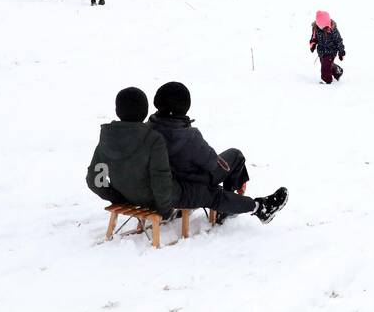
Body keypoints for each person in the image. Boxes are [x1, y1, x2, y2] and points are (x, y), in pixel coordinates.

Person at [147, 82, 288, 224]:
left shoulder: (148, 128)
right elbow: (211, 163)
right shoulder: (189, 136)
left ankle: (234, 202)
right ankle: (236, 207)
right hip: (192, 182)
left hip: (168, 184)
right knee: (235, 155)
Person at [85, 87, 180, 217]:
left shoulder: (108, 137)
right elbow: (160, 179)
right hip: (152, 201)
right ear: (145, 111)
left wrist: (117, 197)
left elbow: (95, 179)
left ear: (117, 111)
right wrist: (165, 211)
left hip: (124, 195)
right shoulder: (153, 139)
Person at [309, 10, 346, 84]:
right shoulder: (316, 28)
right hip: (321, 51)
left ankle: (326, 80)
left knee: (325, 66)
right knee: (326, 64)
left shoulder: (332, 29)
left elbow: (338, 41)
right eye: (320, 26)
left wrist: (341, 52)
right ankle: (337, 71)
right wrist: (313, 44)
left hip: (331, 50)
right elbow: (314, 38)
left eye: (324, 26)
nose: (322, 27)